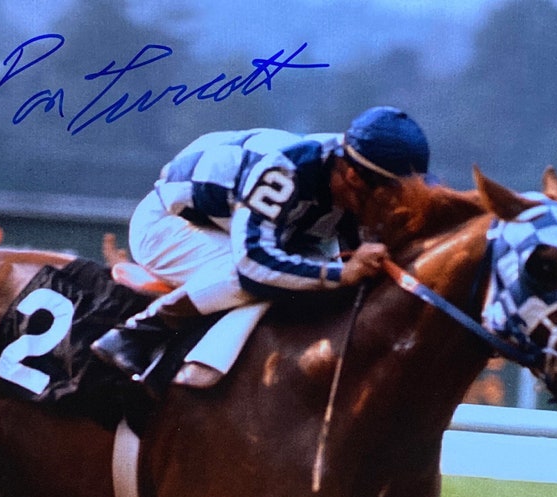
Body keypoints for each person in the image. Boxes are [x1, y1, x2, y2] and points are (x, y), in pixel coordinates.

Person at [91, 106, 433, 382]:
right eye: (391, 196)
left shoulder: (351, 176)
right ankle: (134, 334)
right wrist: (340, 273)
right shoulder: (284, 171)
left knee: (315, 282)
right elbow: (254, 263)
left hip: (240, 230)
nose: (395, 207)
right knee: (257, 279)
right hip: (170, 223)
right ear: (355, 178)